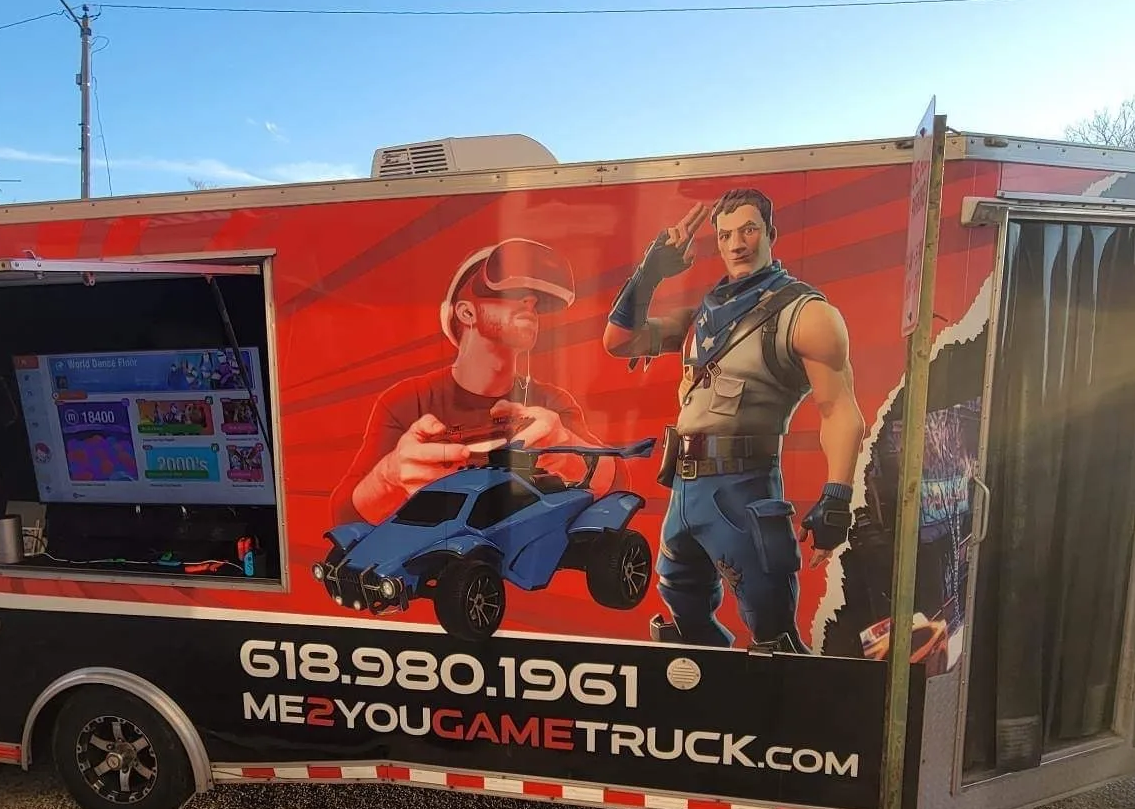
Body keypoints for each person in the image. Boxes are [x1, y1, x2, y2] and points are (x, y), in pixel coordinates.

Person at [603, 189, 866, 649]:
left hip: (742, 492)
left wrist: (837, 495)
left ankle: (777, 716)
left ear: (770, 233)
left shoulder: (804, 314)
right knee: (683, 615)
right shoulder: (704, 315)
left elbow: (839, 410)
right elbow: (619, 342)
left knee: (772, 631)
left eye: (748, 229)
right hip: (685, 490)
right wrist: (650, 274)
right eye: (725, 235)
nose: (737, 243)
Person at [332, 238, 607, 527]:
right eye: (508, 292)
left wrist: (568, 453)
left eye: (533, 297)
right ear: (466, 312)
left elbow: (619, 482)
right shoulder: (407, 400)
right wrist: (388, 478)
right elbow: (344, 516)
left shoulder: (551, 402)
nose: (530, 302)